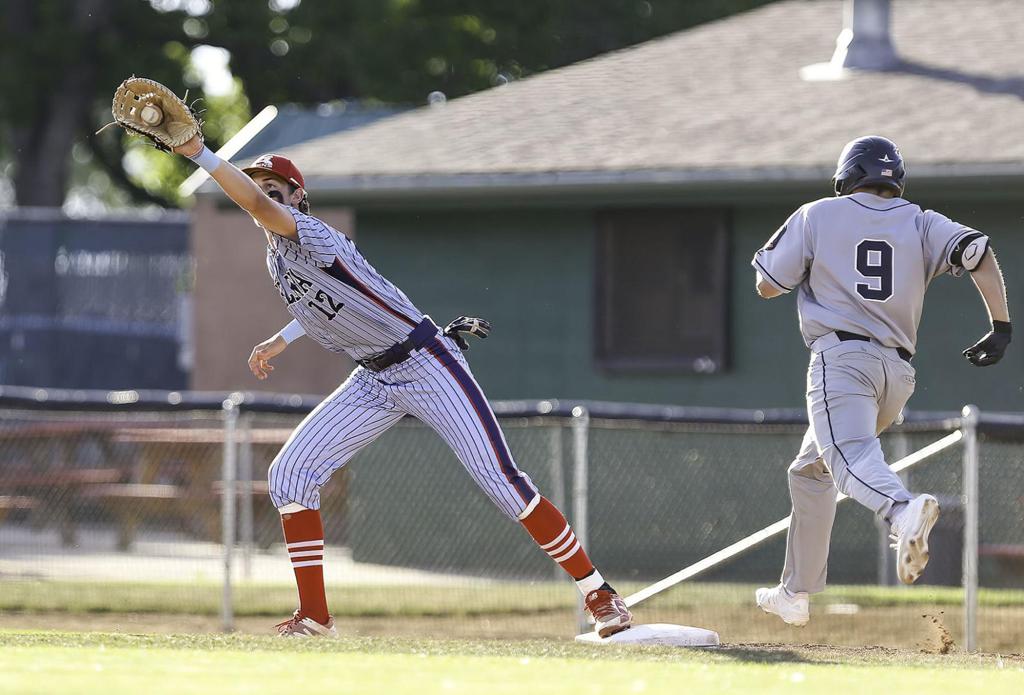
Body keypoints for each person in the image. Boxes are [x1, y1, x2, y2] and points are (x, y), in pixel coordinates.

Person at [172, 137, 633, 638]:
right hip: (373, 376)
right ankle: (315, 617)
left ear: (298, 198)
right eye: (259, 185)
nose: (265, 195)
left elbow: (257, 207)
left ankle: (599, 592)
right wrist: (282, 340)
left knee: (503, 483)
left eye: (275, 188)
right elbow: (331, 303)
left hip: (426, 361)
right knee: (290, 473)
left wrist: (201, 153)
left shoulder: (311, 233)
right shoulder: (276, 258)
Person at [750, 135, 1011, 627]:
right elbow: (978, 251)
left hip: (841, 361)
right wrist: (1001, 326)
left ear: (847, 176)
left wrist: (813, 269)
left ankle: (902, 509)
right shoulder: (922, 220)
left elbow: (766, 284)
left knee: (847, 463)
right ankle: (796, 592)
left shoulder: (818, 214)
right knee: (812, 471)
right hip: (896, 374)